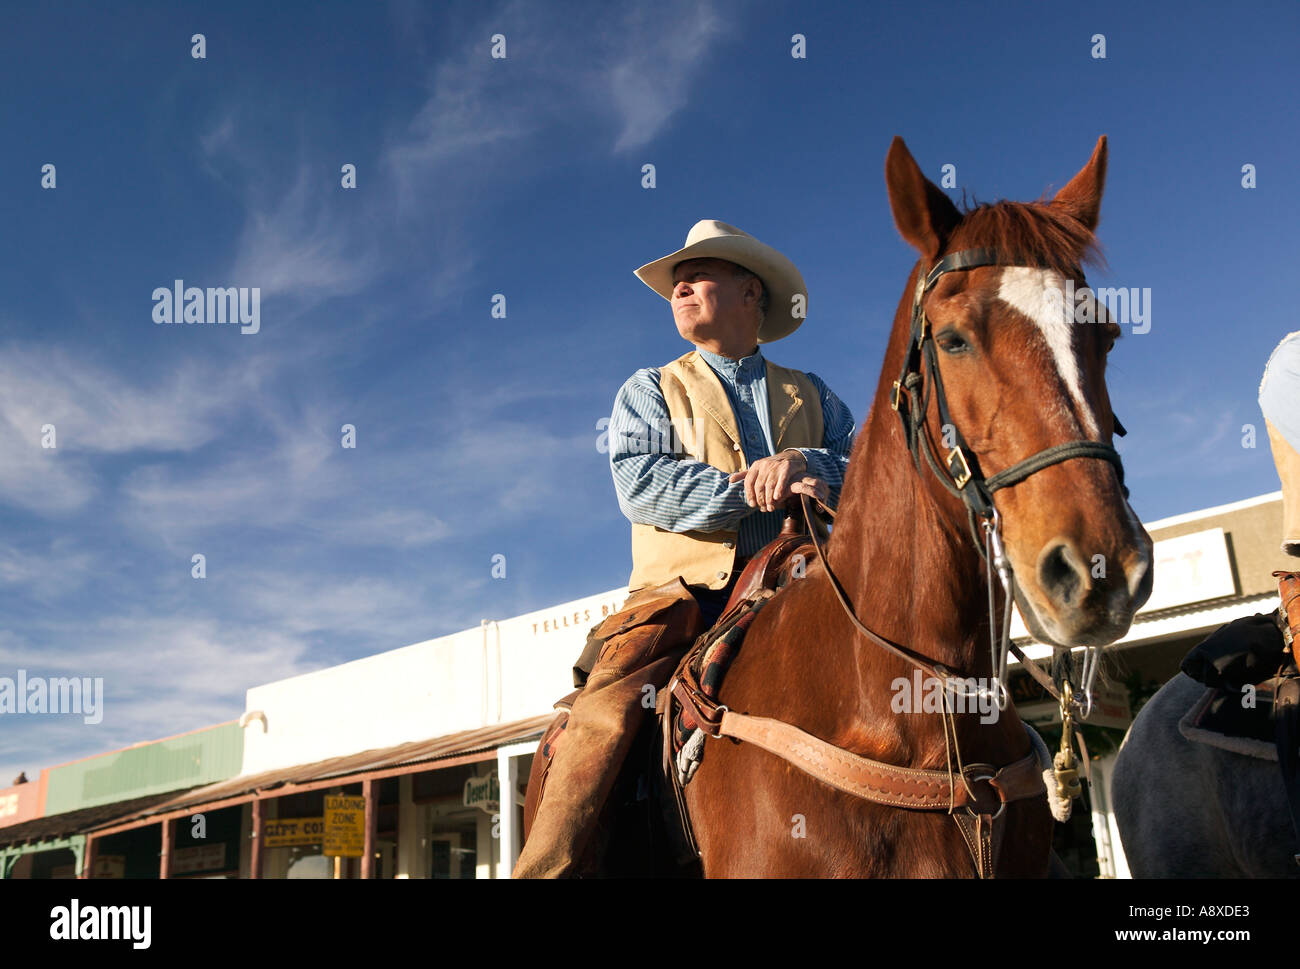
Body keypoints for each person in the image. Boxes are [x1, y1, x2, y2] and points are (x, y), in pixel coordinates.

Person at [513, 220, 856, 877]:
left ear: (750, 292)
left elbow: (868, 464)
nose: (681, 288)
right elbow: (641, 482)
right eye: (677, 283)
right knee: (603, 719)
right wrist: (757, 488)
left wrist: (809, 460)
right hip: (682, 603)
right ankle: (546, 869)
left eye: (699, 276)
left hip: (813, 586)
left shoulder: (814, 394)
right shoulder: (649, 388)